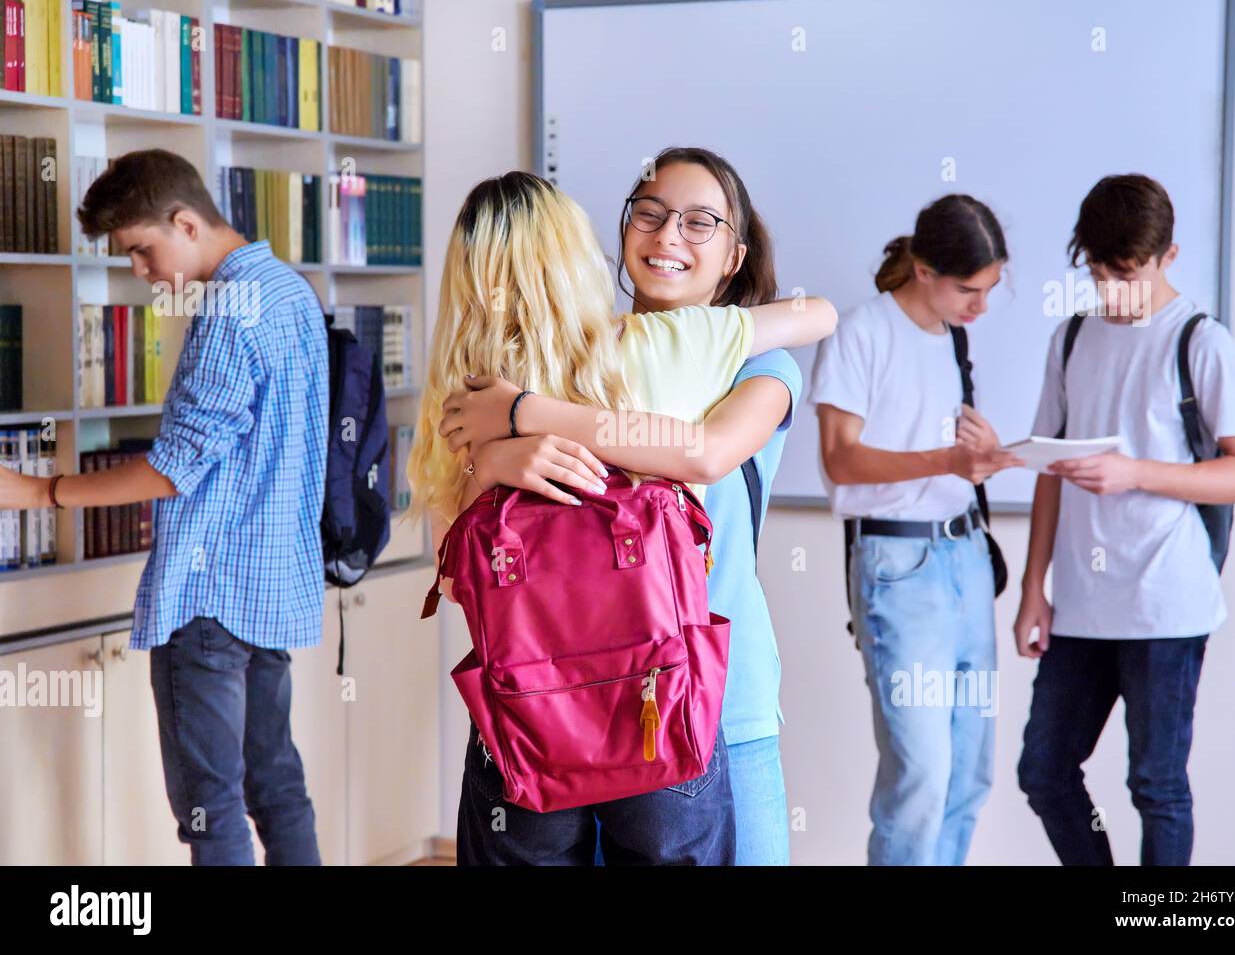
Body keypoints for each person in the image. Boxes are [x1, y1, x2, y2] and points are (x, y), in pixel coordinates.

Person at [411, 168, 834, 865]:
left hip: (658, 703)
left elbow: (703, 454)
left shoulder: (748, 365)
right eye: (650, 213)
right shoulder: (629, 354)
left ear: (736, 255)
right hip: (626, 701)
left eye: (700, 222)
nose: (669, 235)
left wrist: (517, 423)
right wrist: (492, 461)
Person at [0, 149, 329, 865]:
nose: (142, 273)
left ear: (186, 223)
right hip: (271, 592)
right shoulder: (291, 292)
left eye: (143, 251)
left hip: (209, 600)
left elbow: (170, 471)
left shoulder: (229, 315)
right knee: (276, 786)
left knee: (211, 815)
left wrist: (36, 491)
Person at [1015, 174, 1235, 866]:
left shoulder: (1202, 342)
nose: (1112, 292)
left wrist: (1136, 472)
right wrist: (1033, 587)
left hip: (1166, 603)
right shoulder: (1070, 339)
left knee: (1156, 785)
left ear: (1169, 255)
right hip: (1079, 605)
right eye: (1099, 273)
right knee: (1043, 771)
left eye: (1126, 274)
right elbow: (1049, 470)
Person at [809, 194, 1020, 865]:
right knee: (922, 775)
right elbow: (840, 458)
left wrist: (982, 457)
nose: (980, 306)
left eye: (991, 289)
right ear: (924, 269)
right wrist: (948, 460)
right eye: (969, 289)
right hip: (898, 567)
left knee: (968, 771)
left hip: (965, 559)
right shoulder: (862, 333)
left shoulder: (957, 339)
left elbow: (952, 462)